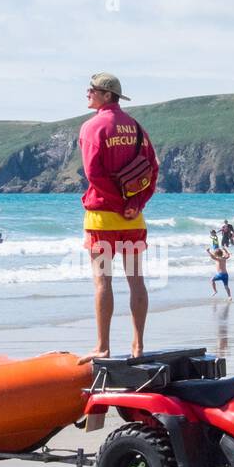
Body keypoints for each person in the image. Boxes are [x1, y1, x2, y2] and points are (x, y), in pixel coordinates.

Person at [79, 72, 157, 360]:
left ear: (106, 95)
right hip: (133, 221)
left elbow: (93, 173)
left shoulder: (92, 127)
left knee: (103, 282)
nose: (87, 93)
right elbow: (153, 170)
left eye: (92, 90)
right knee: (136, 281)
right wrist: (136, 203)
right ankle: (138, 346)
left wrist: (115, 202)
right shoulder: (136, 128)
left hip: (101, 218)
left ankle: (103, 346)